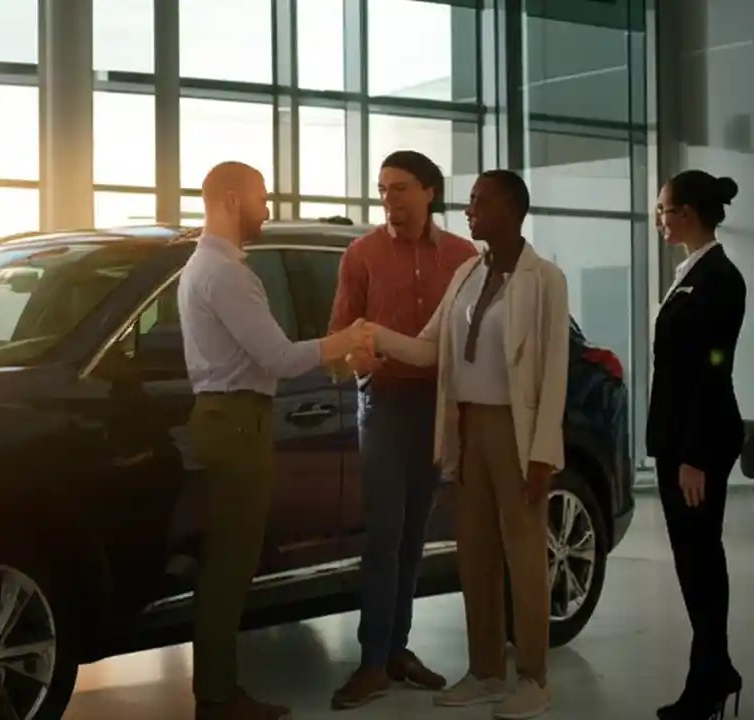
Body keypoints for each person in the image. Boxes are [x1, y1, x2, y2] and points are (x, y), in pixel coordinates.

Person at [366, 170, 568, 719]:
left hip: (518, 434)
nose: (469, 209)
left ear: (512, 209)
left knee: (525, 558)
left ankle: (533, 677)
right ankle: (485, 671)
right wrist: (373, 335)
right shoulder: (466, 275)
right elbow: (431, 349)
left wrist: (545, 452)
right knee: (474, 554)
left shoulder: (545, 279)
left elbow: (554, 374)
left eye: (479, 202)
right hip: (469, 427)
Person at [179, 160, 371, 720]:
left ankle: (217, 690)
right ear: (234, 199)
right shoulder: (228, 274)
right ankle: (217, 697)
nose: (268, 210)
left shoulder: (200, 267)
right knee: (229, 567)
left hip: (223, 418)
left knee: (227, 563)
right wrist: (347, 339)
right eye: (263, 199)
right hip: (239, 423)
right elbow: (280, 358)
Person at [327, 150, 478, 709]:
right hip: (385, 408)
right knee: (384, 535)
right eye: (383, 189)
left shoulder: (464, 257)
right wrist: (355, 361)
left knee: (415, 536)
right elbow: (338, 339)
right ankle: (371, 662)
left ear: (429, 192)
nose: (389, 198)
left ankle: (397, 651)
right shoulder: (361, 255)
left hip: (439, 409)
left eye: (400, 188)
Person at [647, 170, 745, 720]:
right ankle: (715, 669)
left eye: (663, 210)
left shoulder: (719, 278)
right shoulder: (691, 272)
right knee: (694, 561)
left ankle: (708, 681)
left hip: (696, 443)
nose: (658, 219)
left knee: (700, 561)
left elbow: (713, 369)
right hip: (678, 437)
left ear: (685, 212)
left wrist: (693, 456)